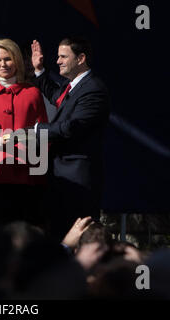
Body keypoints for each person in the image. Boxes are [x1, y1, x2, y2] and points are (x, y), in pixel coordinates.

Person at [31, 37, 110, 242]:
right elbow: (57, 97)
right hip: (61, 175)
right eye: (57, 56)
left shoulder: (93, 89)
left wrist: (37, 129)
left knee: (78, 236)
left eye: (63, 56)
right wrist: (39, 70)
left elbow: (72, 127)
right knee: (59, 232)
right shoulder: (74, 86)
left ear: (81, 58)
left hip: (78, 178)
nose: (57, 61)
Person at [0, 38, 48, 226]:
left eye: (7, 59)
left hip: (27, 176)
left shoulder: (33, 93)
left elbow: (44, 132)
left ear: (17, 61)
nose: (2, 64)